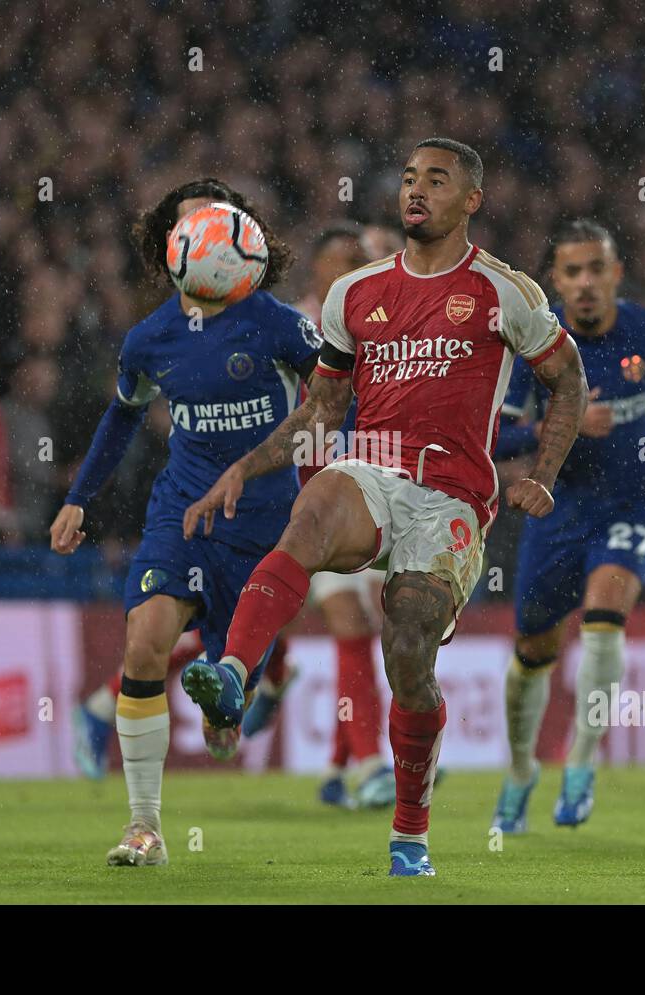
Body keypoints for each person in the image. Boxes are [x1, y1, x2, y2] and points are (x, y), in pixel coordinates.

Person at [180, 138, 588, 876]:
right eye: (407, 179)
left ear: (473, 200)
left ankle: (409, 830)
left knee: (408, 642)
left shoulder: (506, 291)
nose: (416, 191)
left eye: (437, 180)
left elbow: (569, 379)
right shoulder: (354, 294)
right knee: (309, 512)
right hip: (373, 467)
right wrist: (243, 465)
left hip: (453, 495)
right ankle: (236, 671)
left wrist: (545, 472)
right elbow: (322, 409)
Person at [50, 178, 321, 867]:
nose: (208, 236)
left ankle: (230, 701)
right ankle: (145, 826)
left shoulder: (281, 326)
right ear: (170, 246)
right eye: (193, 226)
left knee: (225, 704)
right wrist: (80, 495)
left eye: (221, 223)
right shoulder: (151, 339)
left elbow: (338, 397)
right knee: (144, 642)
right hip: (182, 509)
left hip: (263, 521)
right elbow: (122, 414)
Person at [489, 220, 645, 833]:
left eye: (596, 269)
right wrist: (556, 425)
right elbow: (497, 434)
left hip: (631, 505)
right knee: (534, 651)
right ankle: (518, 772)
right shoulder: (536, 344)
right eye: (572, 272)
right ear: (555, 282)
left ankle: (581, 765)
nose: (585, 283)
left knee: (605, 617)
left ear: (616, 272)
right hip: (556, 511)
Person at [240, 225, 396, 809]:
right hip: (317, 496)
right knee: (347, 621)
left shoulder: (380, 321)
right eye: (340, 261)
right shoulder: (299, 328)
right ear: (316, 270)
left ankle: (340, 765)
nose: (349, 270)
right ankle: (372, 764)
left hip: (380, 484)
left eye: (358, 261)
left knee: (376, 628)